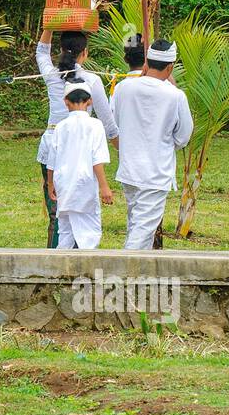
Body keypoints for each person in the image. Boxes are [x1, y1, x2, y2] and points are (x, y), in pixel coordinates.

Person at [36, 28, 117, 247]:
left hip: (53, 145)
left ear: (61, 50)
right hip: (83, 151)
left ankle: (59, 257)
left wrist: (49, 25)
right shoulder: (91, 80)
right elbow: (108, 121)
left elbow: (41, 52)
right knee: (83, 210)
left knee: (58, 211)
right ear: (85, 53)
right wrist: (120, 147)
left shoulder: (52, 74)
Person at [111, 39, 194, 249]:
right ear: (170, 67)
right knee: (142, 230)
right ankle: (124, 275)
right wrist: (164, 145)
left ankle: (137, 274)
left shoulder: (123, 88)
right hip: (156, 172)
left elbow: (115, 123)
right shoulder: (175, 96)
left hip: (129, 168)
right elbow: (184, 136)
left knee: (136, 224)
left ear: (147, 61)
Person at [45, 76, 115, 249]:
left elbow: (51, 158)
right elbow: (97, 159)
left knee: (65, 232)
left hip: (63, 184)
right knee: (90, 232)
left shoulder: (60, 126)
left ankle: (61, 270)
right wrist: (104, 187)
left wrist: (50, 183)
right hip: (84, 185)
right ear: (89, 101)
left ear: (66, 102)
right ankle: (86, 270)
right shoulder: (95, 125)